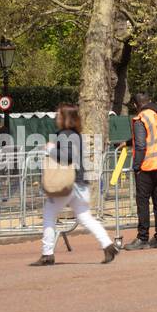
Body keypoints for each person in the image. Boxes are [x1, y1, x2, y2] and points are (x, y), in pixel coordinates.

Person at [31, 103, 119, 266]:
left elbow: (68, 156)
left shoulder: (65, 135)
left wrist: (50, 149)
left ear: (66, 118)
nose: (56, 118)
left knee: (49, 214)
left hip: (68, 183)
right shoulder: (76, 135)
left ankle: (47, 254)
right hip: (79, 183)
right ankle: (108, 245)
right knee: (85, 217)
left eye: (59, 115)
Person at [125, 92, 157, 251]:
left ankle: (142, 238)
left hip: (146, 165)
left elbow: (142, 144)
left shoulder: (141, 118)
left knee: (142, 202)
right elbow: (152, 137)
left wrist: (136, 166)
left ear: (136, 105)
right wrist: (127, 143)